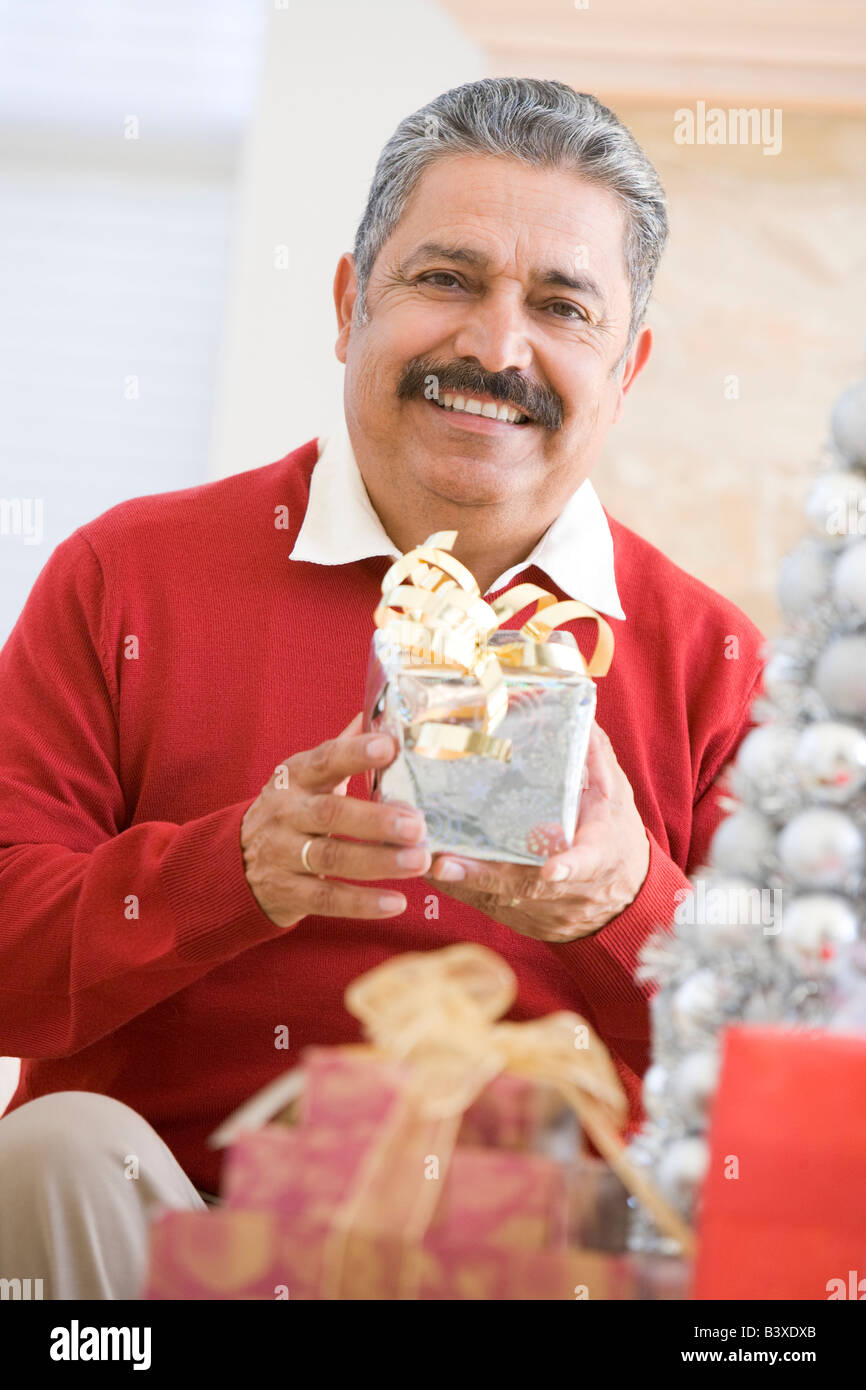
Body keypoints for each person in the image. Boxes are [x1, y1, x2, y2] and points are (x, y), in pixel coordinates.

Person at [0, 78, 763, 1298]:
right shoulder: (126, 578)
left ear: (628, 365)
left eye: (559, 305)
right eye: (445, 279)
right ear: (353, 301)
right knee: (46, 1152)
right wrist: (230, 871)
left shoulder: (709, 662)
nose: (493, 347)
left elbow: (794, 1069)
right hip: (173, 1231)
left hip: (536, 1254)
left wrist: (625, 906)